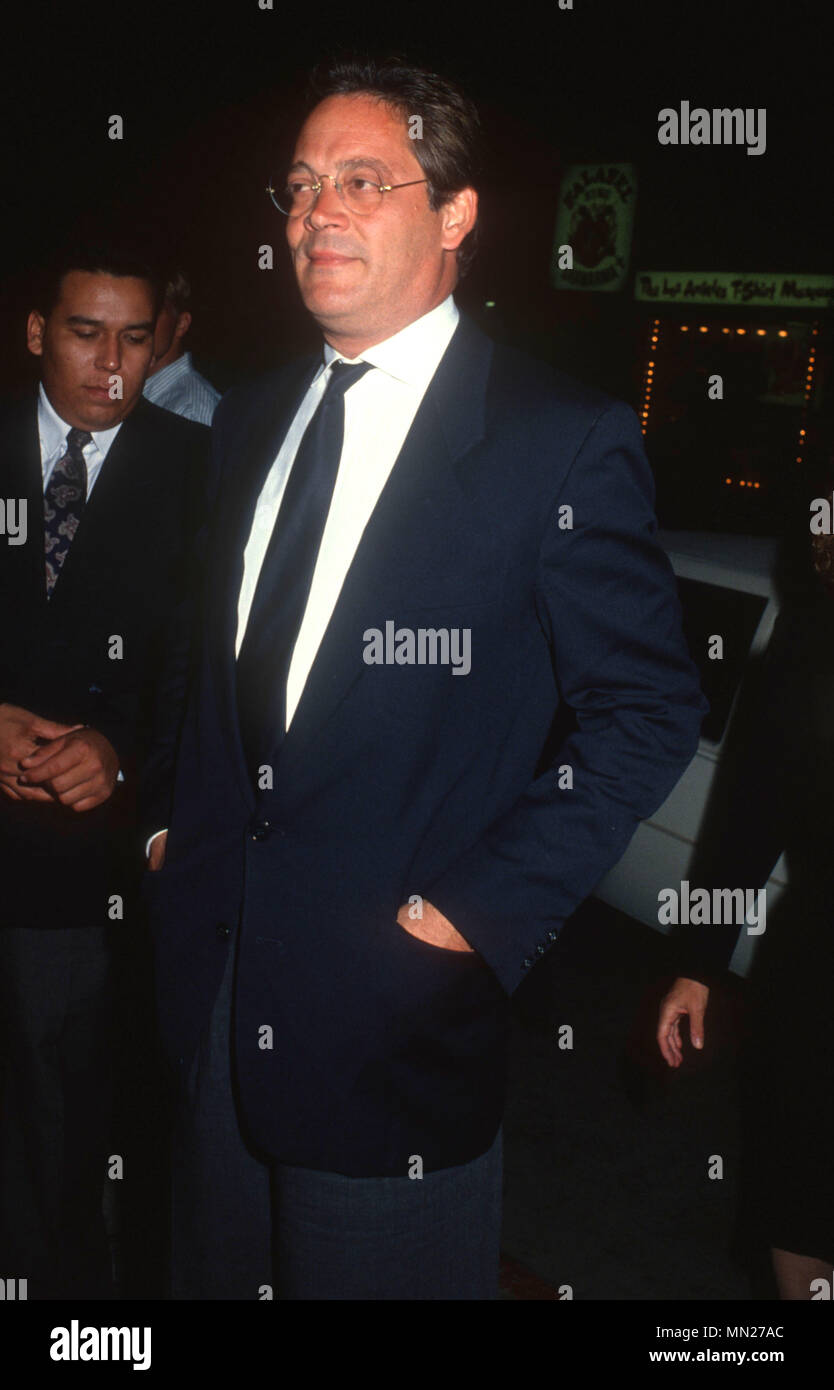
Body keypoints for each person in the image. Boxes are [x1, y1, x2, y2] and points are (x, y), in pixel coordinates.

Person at [143, 55, 706, 1301]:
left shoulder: (558, 440)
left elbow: (651, 705)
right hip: (213, 1000)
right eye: (297, 188)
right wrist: (169, 822)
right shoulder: (248, 420)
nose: (313, 215)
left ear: (454, 216)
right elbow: (214, 661)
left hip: (392, 1031)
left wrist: (476, 911)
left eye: (359, 181)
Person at [0, 242, 209, 1299]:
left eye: (135, 338)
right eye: (86, 333)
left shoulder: (198, 469)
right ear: (39, 331)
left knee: (61, 1122)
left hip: (80, 880)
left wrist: (119, 750)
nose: (112, 363)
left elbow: (205, 668)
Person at [657, 518, 834, 1301]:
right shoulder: (801, 664)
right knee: (802, 1207)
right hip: (817, 985)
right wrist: (696, 969)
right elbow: (743, 830)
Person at [142, 271, 220, 424]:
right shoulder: (127, 393)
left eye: (152, 312)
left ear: (181, 324)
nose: (139, 323)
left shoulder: (190, 411)